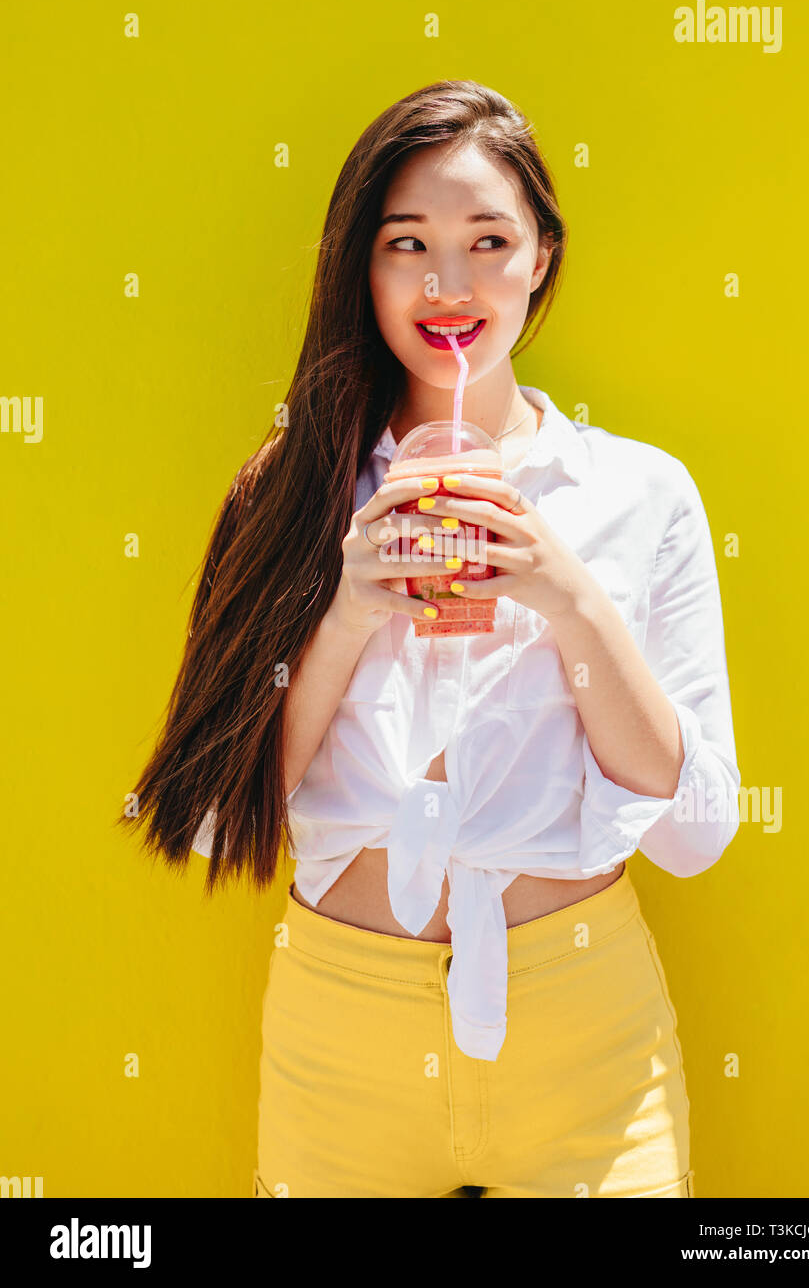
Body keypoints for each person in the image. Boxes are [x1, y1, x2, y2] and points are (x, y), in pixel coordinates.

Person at [118, 80, 740, 1199]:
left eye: (487, 241)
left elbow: (695, 832)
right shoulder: (289, 496)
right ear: (362, 266)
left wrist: (565, 594)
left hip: (586, 1037)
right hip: (340, 1037)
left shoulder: (639, 494)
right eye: (408, 244)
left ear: (540, 256)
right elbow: (215, 819)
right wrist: (351, 608)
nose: (447, 284)